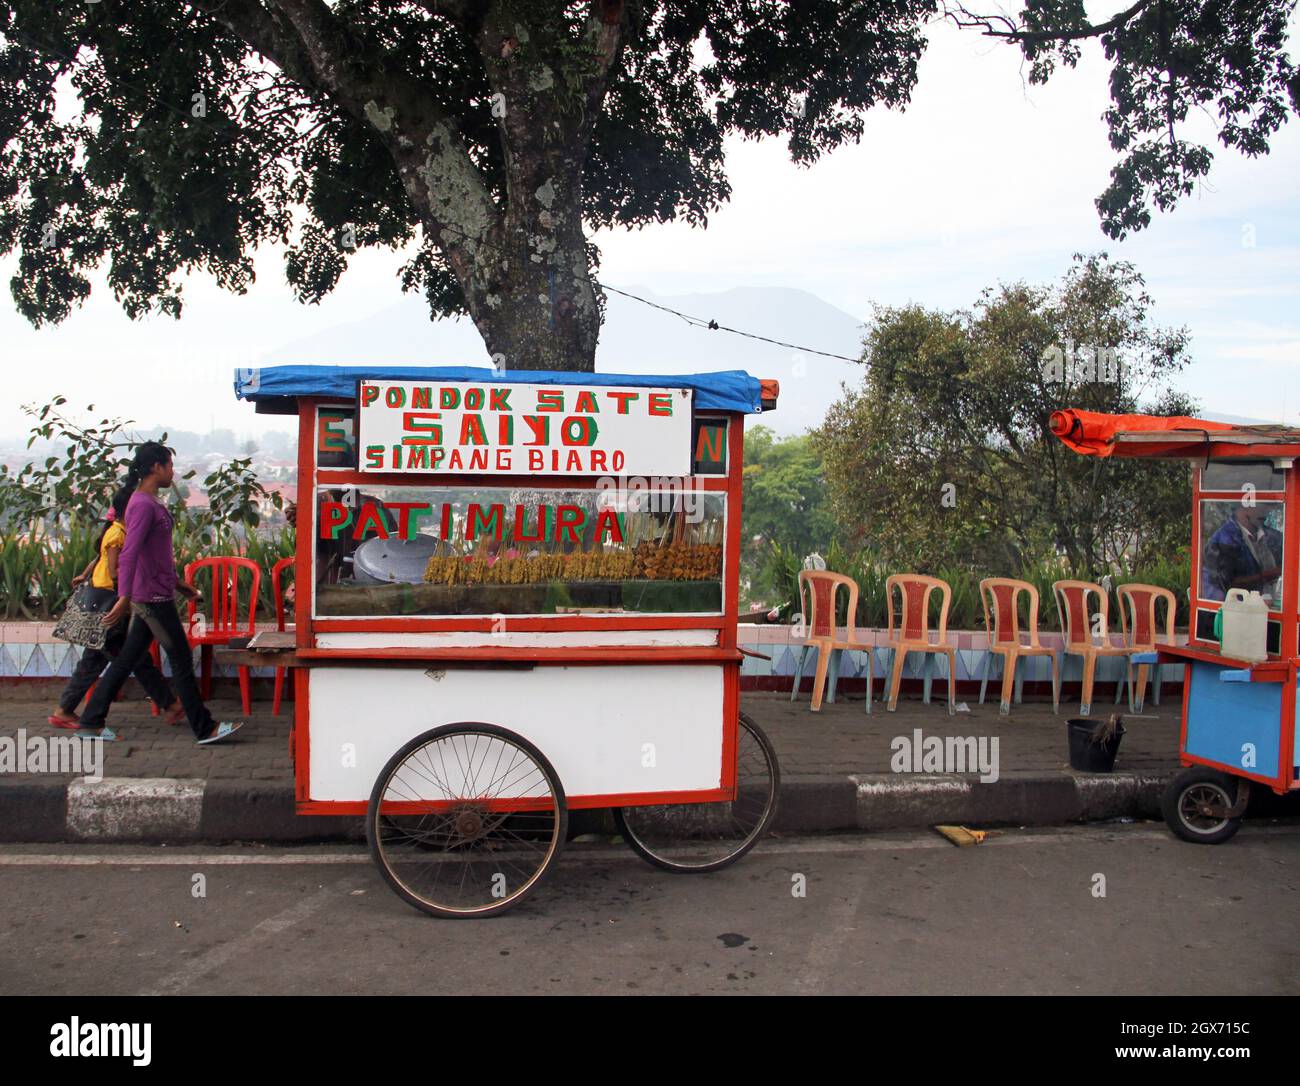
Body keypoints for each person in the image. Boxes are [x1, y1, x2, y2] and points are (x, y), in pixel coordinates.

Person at [76, 442, 243, 745]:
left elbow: (155, 555)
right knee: (179, 657)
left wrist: (179, 585)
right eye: (169, 465)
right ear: (156, 467)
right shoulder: (141, 504)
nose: (172, 472)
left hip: (155, 592)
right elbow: (129, 554)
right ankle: (204, 728)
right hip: (150, 598)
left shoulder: (149, 502)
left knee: (128, 659)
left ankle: (90, 721)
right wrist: (125, 596)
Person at [49, 489, 186, 729]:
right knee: (132, 659)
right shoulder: (118, 534)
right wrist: (140, 581)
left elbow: (99, 558)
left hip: (104, 601)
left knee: (96, 660)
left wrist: (84, 574)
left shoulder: (117, 532)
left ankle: (65, 709)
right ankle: (169, 704)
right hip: (107, 603)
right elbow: (113, 569)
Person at [1200, 501, 1285, 602]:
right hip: (1237, 609)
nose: (1267, 512)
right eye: (1263, 506)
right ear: (1245, 506)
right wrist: (1268, 574)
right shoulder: (1224, 540)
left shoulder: (1273, 537)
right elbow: (1227, 584)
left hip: (1273, 605)